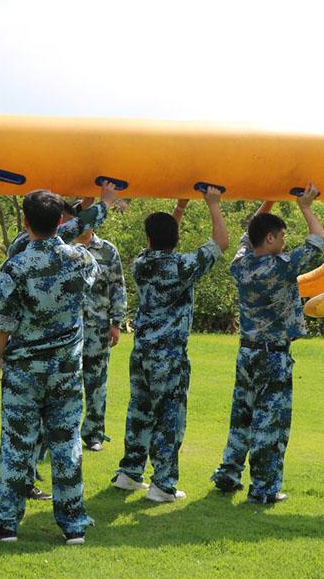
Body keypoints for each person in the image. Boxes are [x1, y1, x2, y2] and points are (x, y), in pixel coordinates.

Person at [0, 188, 108, 546]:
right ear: (60, 220)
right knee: (67, 444)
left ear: (24, 221)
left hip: (24, 372)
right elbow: (87, 261)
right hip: (66, 372)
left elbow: (2, 324)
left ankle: (5, 522)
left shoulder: (15, 267)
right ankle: (74, 523)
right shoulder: (81, 260)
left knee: (17, 444)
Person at [210, 183, 324, 505]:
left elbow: (249, 235)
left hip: (247, 352)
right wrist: (305, 206)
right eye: (282, 236)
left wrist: (269, 199)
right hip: (273, 357)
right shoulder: (282, 266)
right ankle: (263, 489)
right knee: (269, 424)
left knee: (242, 416)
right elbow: (319, 238)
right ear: (271, 239)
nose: (285, 242)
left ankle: (228, 473)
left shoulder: (240, 264)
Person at [112, 187, 228, 502]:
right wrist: (213, 204)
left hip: (142, 352)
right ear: (175, 239)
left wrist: (179, 208)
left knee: (140, 410)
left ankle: (129, 473)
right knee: (169, 417)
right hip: (169, 356)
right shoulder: (181, 266)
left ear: (148, 239)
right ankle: (163, 485)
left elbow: (162, 241)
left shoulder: (141, 262)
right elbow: (221, 242)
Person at [73, 225, 126, 452]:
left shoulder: (107, 250)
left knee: (96, 383)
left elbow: (118, 287)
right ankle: (66, 433)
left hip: (98, 328)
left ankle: (94, 433)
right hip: (69, 329)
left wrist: (116, 322)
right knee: (67, 383)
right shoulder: (64, 248)